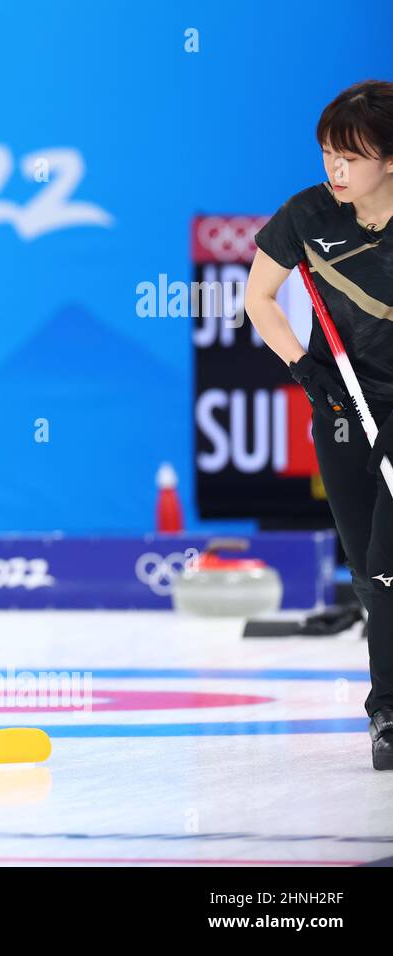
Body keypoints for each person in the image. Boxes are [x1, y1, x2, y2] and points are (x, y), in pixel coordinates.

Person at [245, 79, 393, 770]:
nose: (333, 168)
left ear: (388, 159)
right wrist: (308, 369)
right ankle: (387, 713)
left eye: (349, 155)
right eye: (326, 152)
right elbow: (259, 297)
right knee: (369, 567)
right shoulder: (306, 215)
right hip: (344, 405)